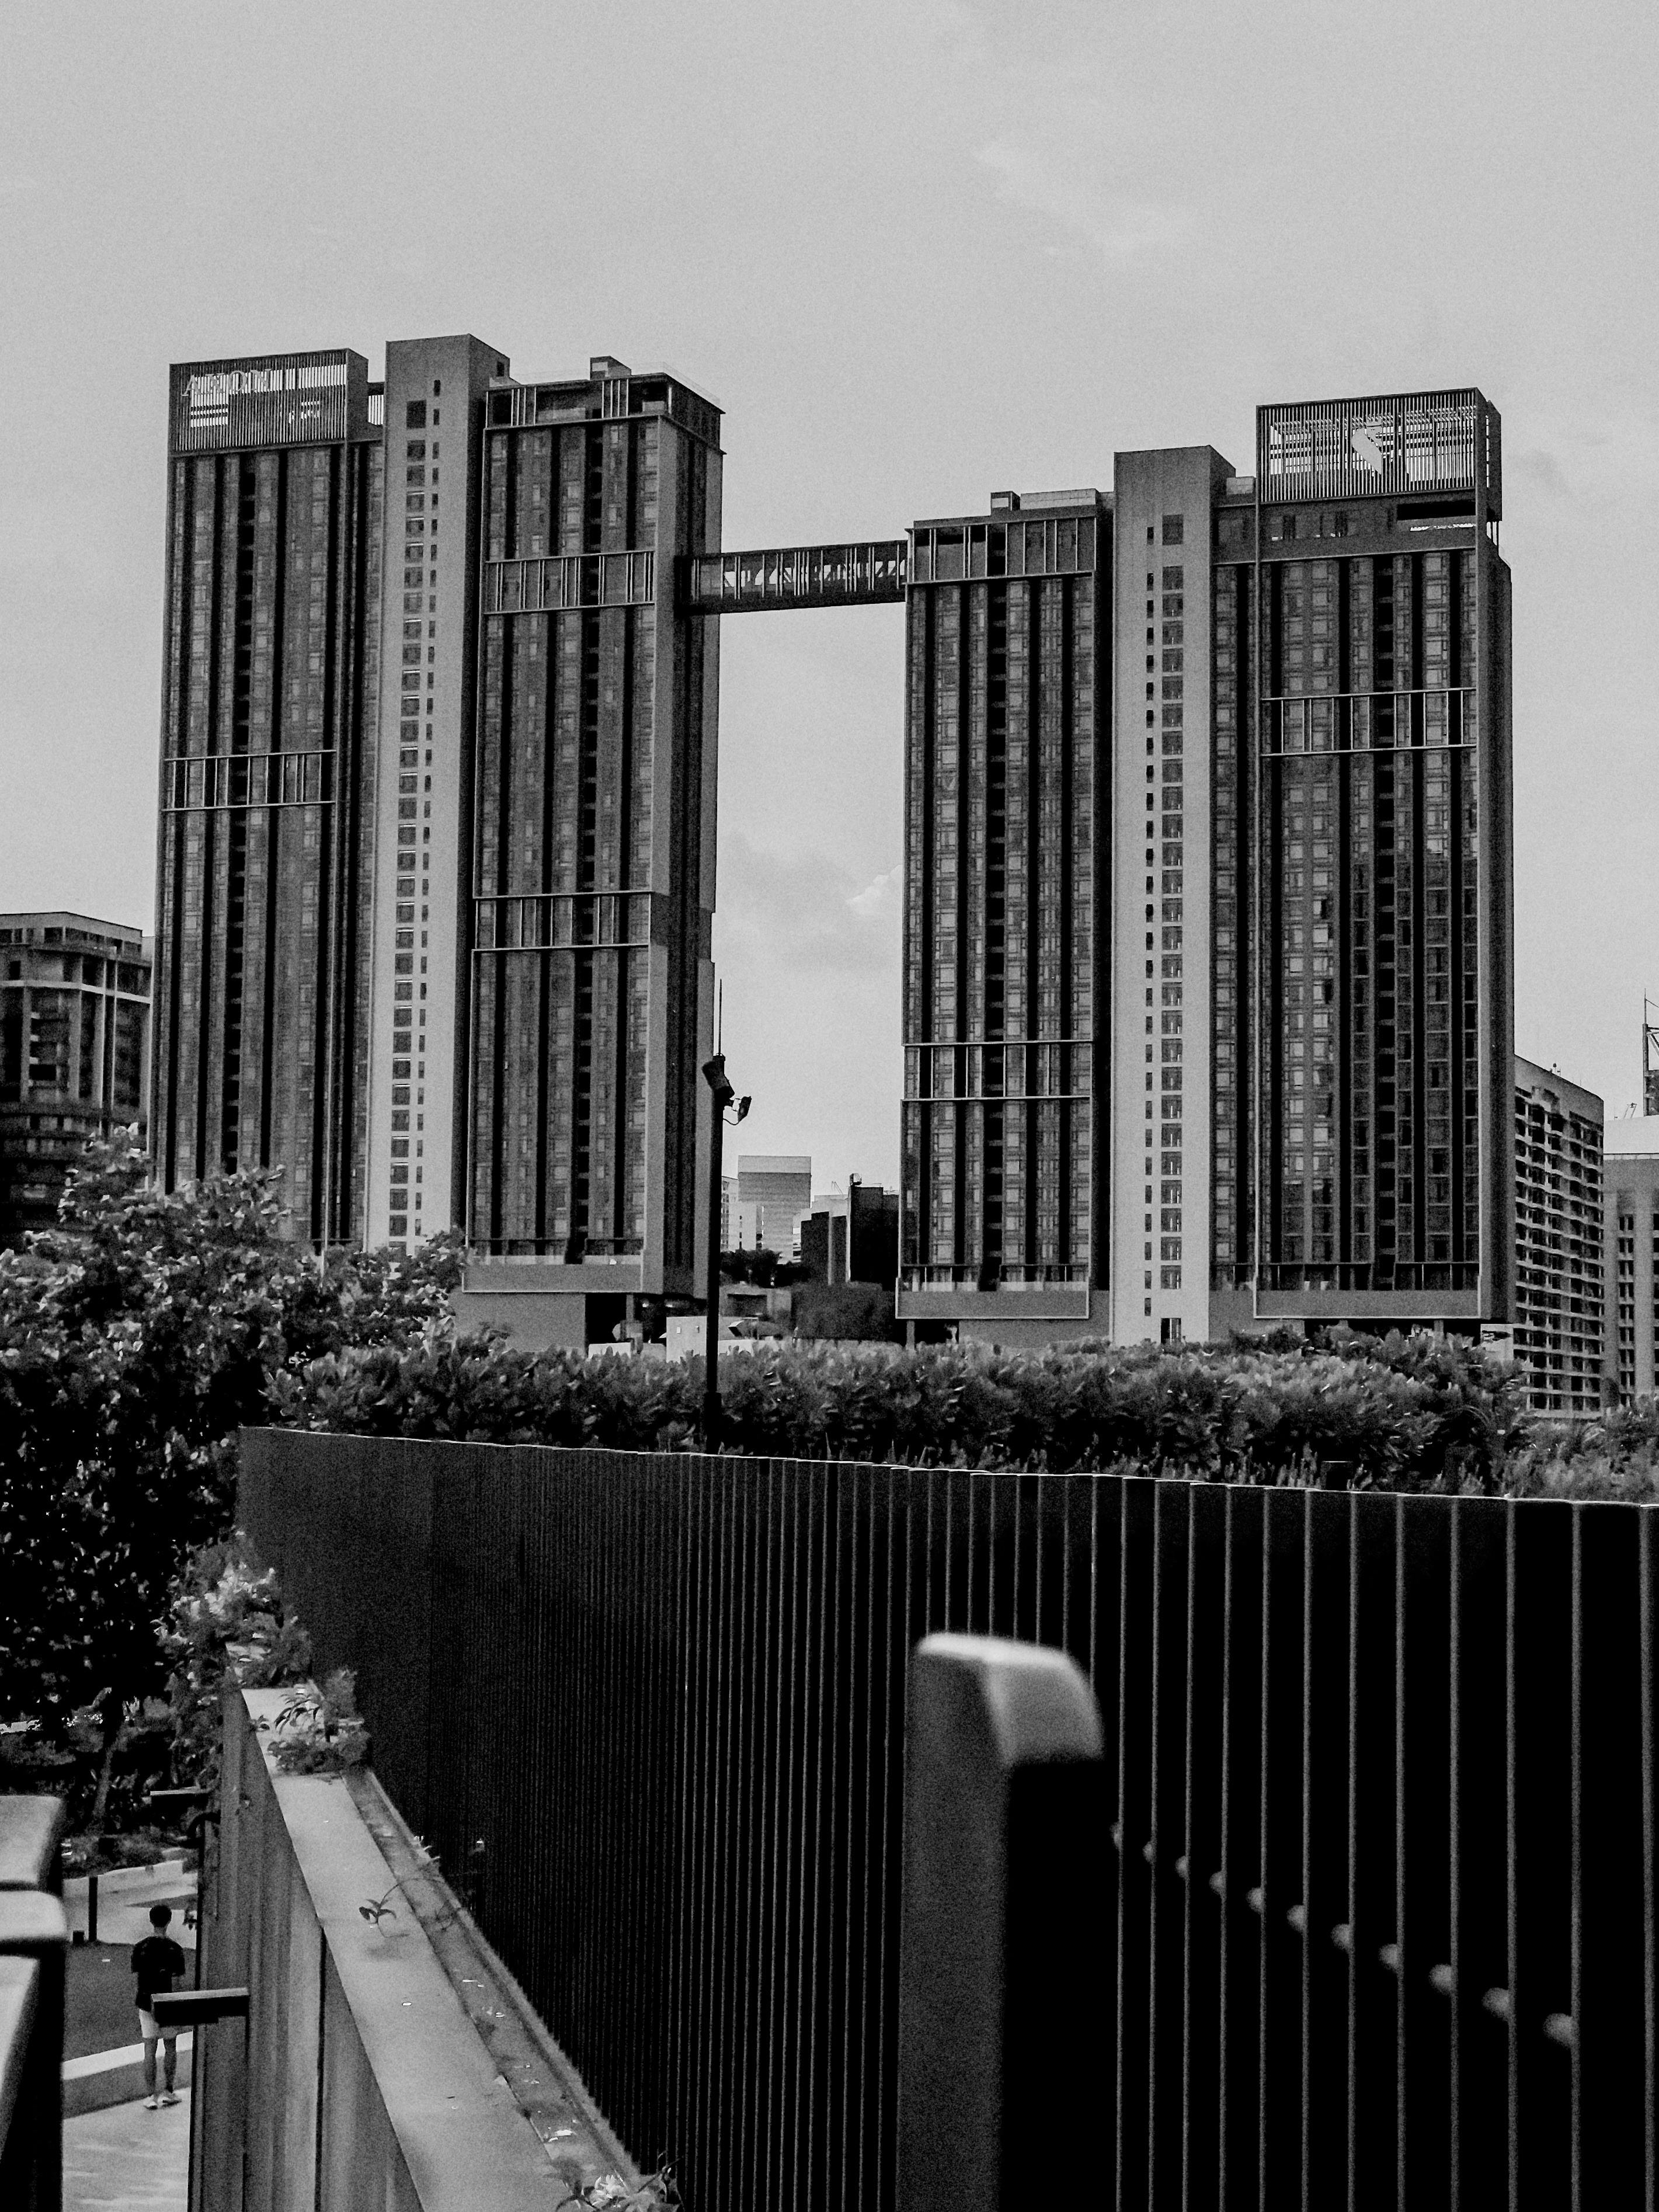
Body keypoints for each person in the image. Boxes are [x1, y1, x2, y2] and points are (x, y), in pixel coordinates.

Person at [133, 1903, 186, 2109]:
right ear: (169, 1921)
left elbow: (137, 1979)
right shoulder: (175, 1949)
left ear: (151, 1920)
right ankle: (168, 2091)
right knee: (170, 2047)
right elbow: (179, 1984)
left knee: (149, 2048)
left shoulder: (141, 1948)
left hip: (146, 2002)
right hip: (168, 2004)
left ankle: (150, 2095)